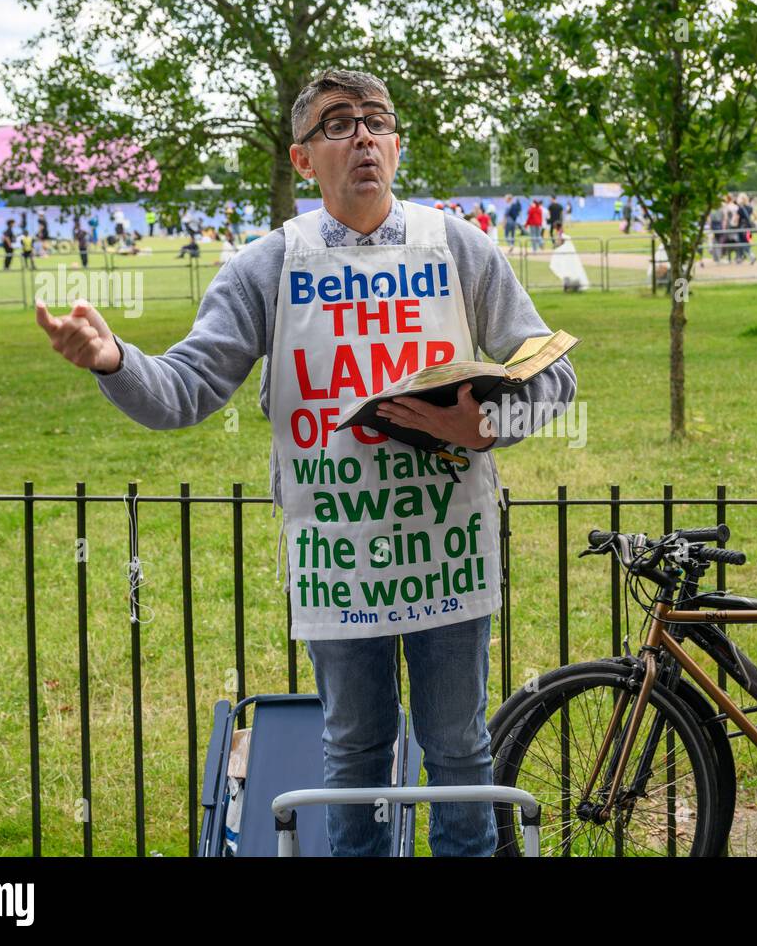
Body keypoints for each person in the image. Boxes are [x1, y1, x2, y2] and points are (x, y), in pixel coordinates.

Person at [34, 68, 576, 857]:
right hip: (339, 560)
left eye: (377, 120)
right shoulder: (267, 266)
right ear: (301, 159)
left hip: (448, 551)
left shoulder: (460, 247)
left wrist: (487, 423)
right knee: (354, 752)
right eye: (337, 123)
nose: (362, 135)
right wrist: (114, 360)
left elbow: (552, 371)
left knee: (458, 748)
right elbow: (184, 391)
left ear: (395, 144)